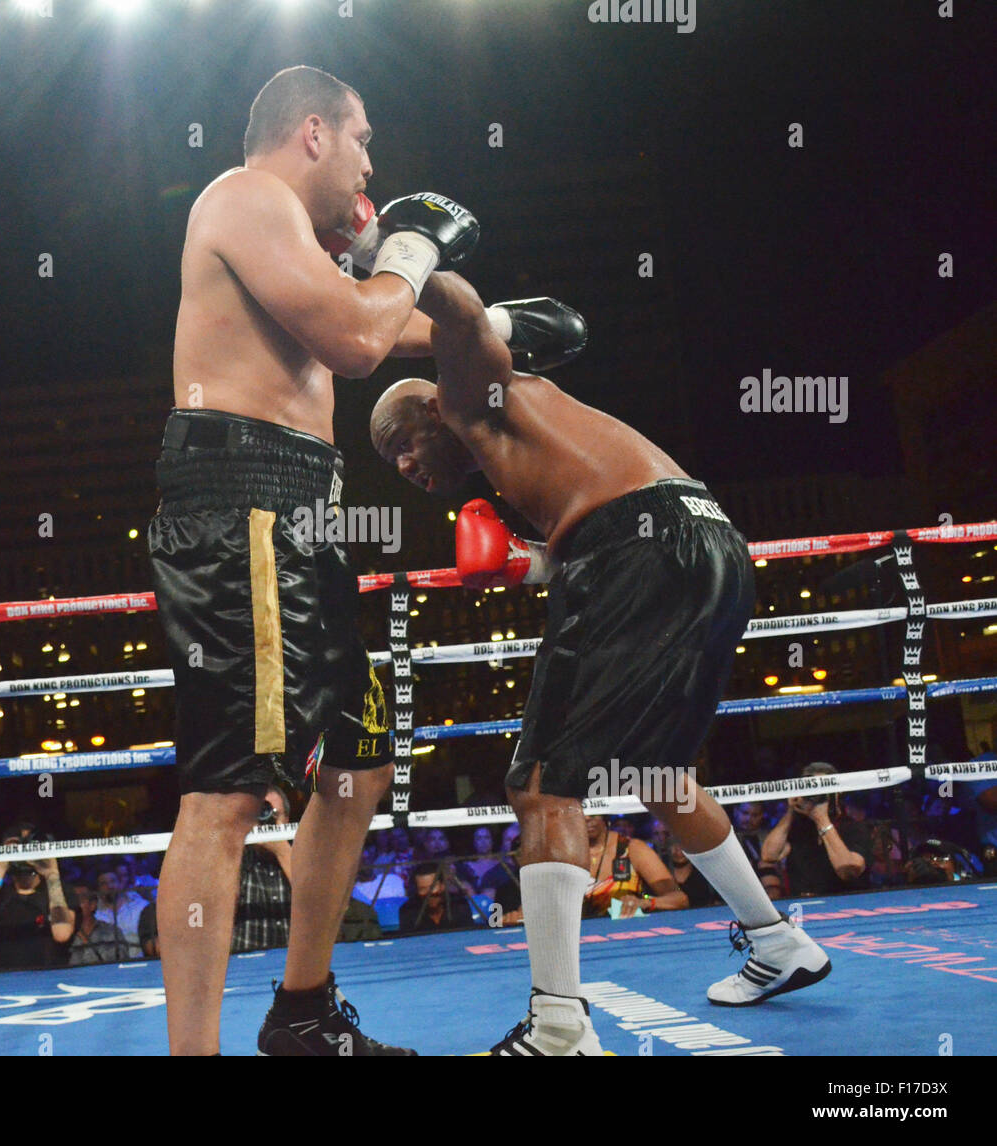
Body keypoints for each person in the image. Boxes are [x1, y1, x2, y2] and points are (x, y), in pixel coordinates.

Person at [369, 270, 830, 1054]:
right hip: (705, 541)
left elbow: (462, 313)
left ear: (428, 405)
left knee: (542, 787)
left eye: (401, 444)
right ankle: (778, 940)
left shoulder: (465, 391)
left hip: (637, 549)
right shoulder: (529, 421)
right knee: (660, 776)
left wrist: (399, 253)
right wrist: (529, 565)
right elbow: (596, 529)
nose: (407, 469)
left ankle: (558, 1028)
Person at [146, 64, 480, 1056]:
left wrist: (493, 330)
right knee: (226, 794)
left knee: (358, 766)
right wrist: (411, 249)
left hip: (304, 512)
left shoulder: (292, 237)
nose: (371, 162)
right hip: (240, 499)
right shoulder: (244, 196)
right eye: (363, 138)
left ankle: (301, 1011)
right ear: (312, 133)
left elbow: (391, 323)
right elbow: (357, 337)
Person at [0, 824, 76, 972]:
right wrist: (1, 868)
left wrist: (52, 875)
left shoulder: (59, 892)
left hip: (47, 979)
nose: (22, 852)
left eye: (27, 845)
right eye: (17, 846)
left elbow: (62, 934)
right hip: (0, 980)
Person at [759, 763, 870, 896]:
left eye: (821, 790)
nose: (816, 795)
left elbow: (847, 871)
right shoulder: (796, 827)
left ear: (837, 792)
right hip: (802, 906)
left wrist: (821, 819)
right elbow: (769, 856)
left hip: (843, 902)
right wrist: (790, 811)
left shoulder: (854, 827)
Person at [581, 815, 687, 919]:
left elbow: (679, 899)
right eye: (580, 813)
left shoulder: (633, 849)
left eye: (593, 814)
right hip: (573, 932)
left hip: (624, 930)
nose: (587, 818)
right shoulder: (565, 855)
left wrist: (645, 902)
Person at [232, 787, 295, 953]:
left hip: (294, 964)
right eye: (261, 813)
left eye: (274, 815)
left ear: (287, 821)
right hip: (247, 963)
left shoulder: (302, 857)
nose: (267, 822)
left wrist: (282, 850)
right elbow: (218, 916)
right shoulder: (237, 858)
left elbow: (316, 906)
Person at [397, 863, 475, 933]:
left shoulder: (459, 905)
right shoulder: (407, 911)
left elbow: (468, 937)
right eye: (422, 889)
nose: (429, 894)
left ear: (443, 886)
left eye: (432, 887)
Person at [69, 885, 132, 966]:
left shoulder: (111, 932)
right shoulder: (63, 937)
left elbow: (122, 965)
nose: (73, 905)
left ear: (93, 905)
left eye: (79, 900)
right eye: (71, 900)